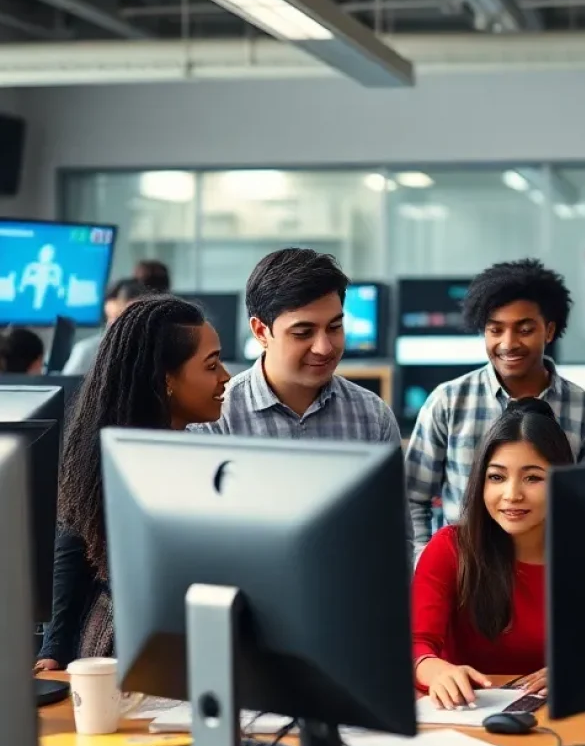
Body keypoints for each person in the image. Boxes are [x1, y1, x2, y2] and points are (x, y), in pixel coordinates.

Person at [35, 296, 229, 669]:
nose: (225, 376)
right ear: (166, 379)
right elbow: (73, 551)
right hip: (122, 654)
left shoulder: (203, 457)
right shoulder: (113, 462)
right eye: (211, 365)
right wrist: (52, 650)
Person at [405, 259, 585, 555]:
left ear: (549, 331)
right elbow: (412, 497)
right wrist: (425, 561)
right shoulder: (447, 401)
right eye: (495, 330)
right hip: (463, 569)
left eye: (524, 330)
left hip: (547, 568)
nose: (508, 343)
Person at [412, 399, 574, 709]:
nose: (512, 494)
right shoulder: (450, 548)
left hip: (560, 713)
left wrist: (579, 671)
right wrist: (438, 672)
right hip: (469, 713)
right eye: (497, 477)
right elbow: (415, 645)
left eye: (533, 478)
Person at [193, 248, 401, 444]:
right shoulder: (214, 419)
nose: (324, 348)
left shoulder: (374, 418)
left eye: (334, 327)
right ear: (261, 331)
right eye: (303, 333)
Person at [62, 277, 147, 376]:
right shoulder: (87, 351)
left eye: (125, 318)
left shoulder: (154, 351)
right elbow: (67, 384)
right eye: (112, 318)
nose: (114, 326)